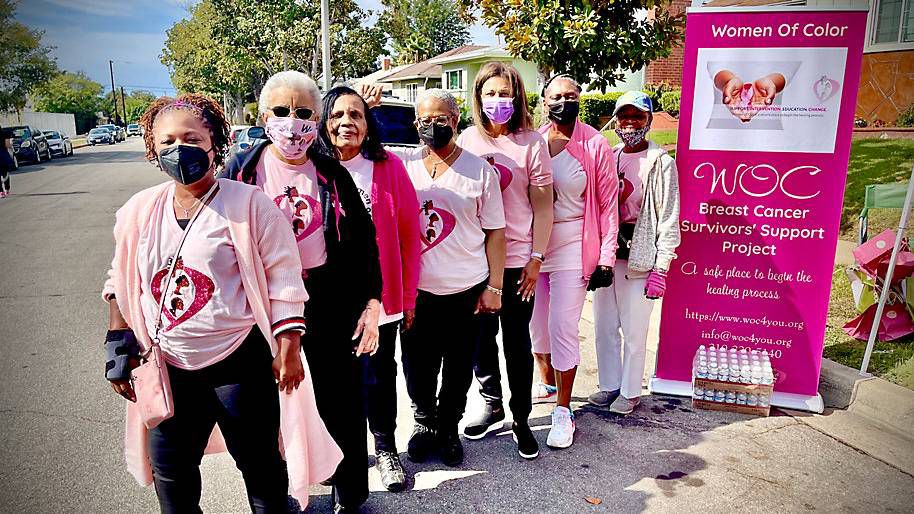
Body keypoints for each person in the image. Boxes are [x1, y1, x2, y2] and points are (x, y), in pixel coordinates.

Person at [102, 94, 342, 514]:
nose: (180, 149)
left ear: (216, 142)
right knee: (172, 478)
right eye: (168, 141)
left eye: (192, 138)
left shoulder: (250, 206)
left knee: (262, 470)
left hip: (238, 364)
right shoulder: (139, 211)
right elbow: (120, 282)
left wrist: (288, 351)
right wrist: (118, 347)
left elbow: (285, 281)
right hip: (169, 366)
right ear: (153, 150)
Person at [221, 71, 382, 513]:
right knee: (267, 408)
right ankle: (281, 495)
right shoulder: (241, 171)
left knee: (342, 401)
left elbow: (365, 240)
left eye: (304, 113)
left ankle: (350, 494)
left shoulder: (332, 173)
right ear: (262, 116)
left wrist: (371, 298)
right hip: (261, 306)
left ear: (317, 119)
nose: (292, 124)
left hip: (328, 303)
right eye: (280, 112)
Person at [388, 88, 506, 467]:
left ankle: (448, 427)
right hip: (416, 290)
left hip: (465, 288)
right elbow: (351, 151)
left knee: (458, 364)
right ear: (415, 123)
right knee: (416, 363)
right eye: (425, 119)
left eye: (441, 119)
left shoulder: (479, 171)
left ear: (456, 122)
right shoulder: (402, 164)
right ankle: (424, 423)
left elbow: (496, 232)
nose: (432, 125)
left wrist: (494, 287)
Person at [315, 85, 421, 492]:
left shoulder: (388, 165)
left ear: (368, 124)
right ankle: (340, 455)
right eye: (338, 115)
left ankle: (385, 449)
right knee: (332, 382)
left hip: (381, 296)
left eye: (357, 115)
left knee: (378, 374)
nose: (347, 123)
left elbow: (412, 236)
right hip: (326, 300)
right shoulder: (313, 168)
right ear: (324, 122)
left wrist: (408, 297)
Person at [456, 62, 553, 459]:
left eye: (505, 93)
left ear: (518, 97)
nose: (498, 100)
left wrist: (536, 258)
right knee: (480, 341)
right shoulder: (466, 140)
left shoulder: (533, 143)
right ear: (478, 97)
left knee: (516, 341)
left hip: (518, 263)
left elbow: (543, 207)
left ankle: (521, 417)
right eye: (490, 93)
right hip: (474, 262)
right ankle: (491, 401)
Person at [530, 75, 619, 448]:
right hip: (535, 248)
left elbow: (609, 205)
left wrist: (606, 258)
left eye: (571, 95)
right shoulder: (534, 140)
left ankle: (564, 412)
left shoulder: (595, 144)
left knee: (563, 326)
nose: (564, 101)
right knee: (536, 326)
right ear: (544, 100)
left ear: (579, 99)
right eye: (557, 96)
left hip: (573, 247)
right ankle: (548, 382)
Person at [590, 90, 681, 415]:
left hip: (640, 258)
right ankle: (610, 384)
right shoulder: (610, 155)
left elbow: (670, 217)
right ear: (616, 120)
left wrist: (661, 268)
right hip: (608, 255)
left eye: (637, 117)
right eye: (624, 117)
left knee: (634, 329)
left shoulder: (661, 163)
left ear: (649, 120)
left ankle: (630, 391)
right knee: (604, 326)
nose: (630, 124)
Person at [0, 124, 13, 197]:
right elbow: (7, 145)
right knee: (5, 172)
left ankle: (1, 192)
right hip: (3, 154)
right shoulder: (5, 133)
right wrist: (11, 145)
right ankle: (7, 189)